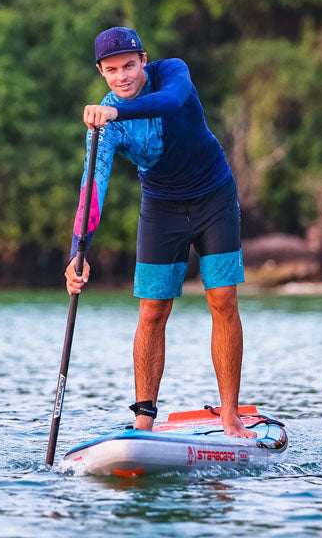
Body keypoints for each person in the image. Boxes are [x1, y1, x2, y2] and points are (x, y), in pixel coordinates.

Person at [63, 27, 256, 439]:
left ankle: (230, 415)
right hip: (162, 208)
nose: (123, 77)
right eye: (112, 70)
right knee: (152, 311)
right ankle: (144, 420)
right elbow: (92, 188)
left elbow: (169, 104)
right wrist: (78, 253)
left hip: (213, 196)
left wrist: (113, 111)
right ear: (101, 72)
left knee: (222, 299)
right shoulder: (104, 125)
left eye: (129, 65)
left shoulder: (173, 74)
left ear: (144, 61)